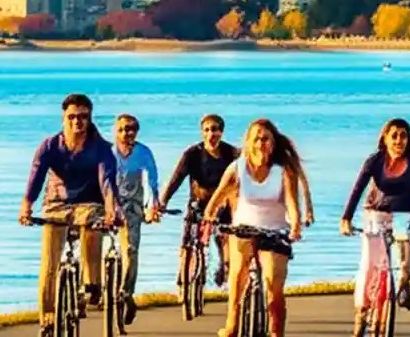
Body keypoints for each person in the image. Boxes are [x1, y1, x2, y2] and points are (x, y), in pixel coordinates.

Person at [19, 94, 121, 337]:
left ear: (90, 118)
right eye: (72, 117)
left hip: (89, 201)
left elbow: (107, 181)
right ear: (63, 118)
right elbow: (36, 177)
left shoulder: (101, 148)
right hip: (57, 203)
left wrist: (111, 208)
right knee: (49, 263)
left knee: (91, 227)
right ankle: (47, 318)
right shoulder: (50, 146)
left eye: (83, 117)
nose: (78, 122)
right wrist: (26, 206)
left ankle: (91, 283)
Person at [203, 118, 305, 337]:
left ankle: (277, 331)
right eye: (256, 138)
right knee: (238, 276)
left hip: (275, 231)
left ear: (273, 143)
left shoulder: (283, 171)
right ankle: (232, 324)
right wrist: (209, 216)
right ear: (248, 142)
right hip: (243, 228)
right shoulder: (237, 168)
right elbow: (218, 196)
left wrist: (295, 225)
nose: (261, 143)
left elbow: (291, 203)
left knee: (272, 285)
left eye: (266, 138)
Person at [339, 118, 410, 334]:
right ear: (385, 138)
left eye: (403, 136)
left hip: (404, 215)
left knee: (406, 259)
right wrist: (346, 219)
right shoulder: (375, 161)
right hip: (375, 214)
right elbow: (357, 189)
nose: (399, 140)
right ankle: (362, 312)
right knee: (370, 265)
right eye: (394, 136)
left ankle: (403, 285)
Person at [155, 114, 241, 287]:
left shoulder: (231, 154)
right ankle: (184, 280)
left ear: (221, 132)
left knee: (225, 242)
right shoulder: (192, 154)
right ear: (202, 132)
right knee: (188, 241)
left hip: (223, 207)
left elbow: (240, 183)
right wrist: (163, 202)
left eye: (215, 129)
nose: (211, 134)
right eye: (207, 130)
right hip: (198, 205)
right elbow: (176, 179)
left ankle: (224, 267)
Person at [112, 113, 161, 325]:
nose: (126, 133)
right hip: (107, 205)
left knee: (131, 249)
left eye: (130, 129)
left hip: (132, 206)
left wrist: (153, 205)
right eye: (122, 129)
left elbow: (152, 182)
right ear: (116, 131)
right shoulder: (108, 152)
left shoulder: (143, 153)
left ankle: (126, 293)